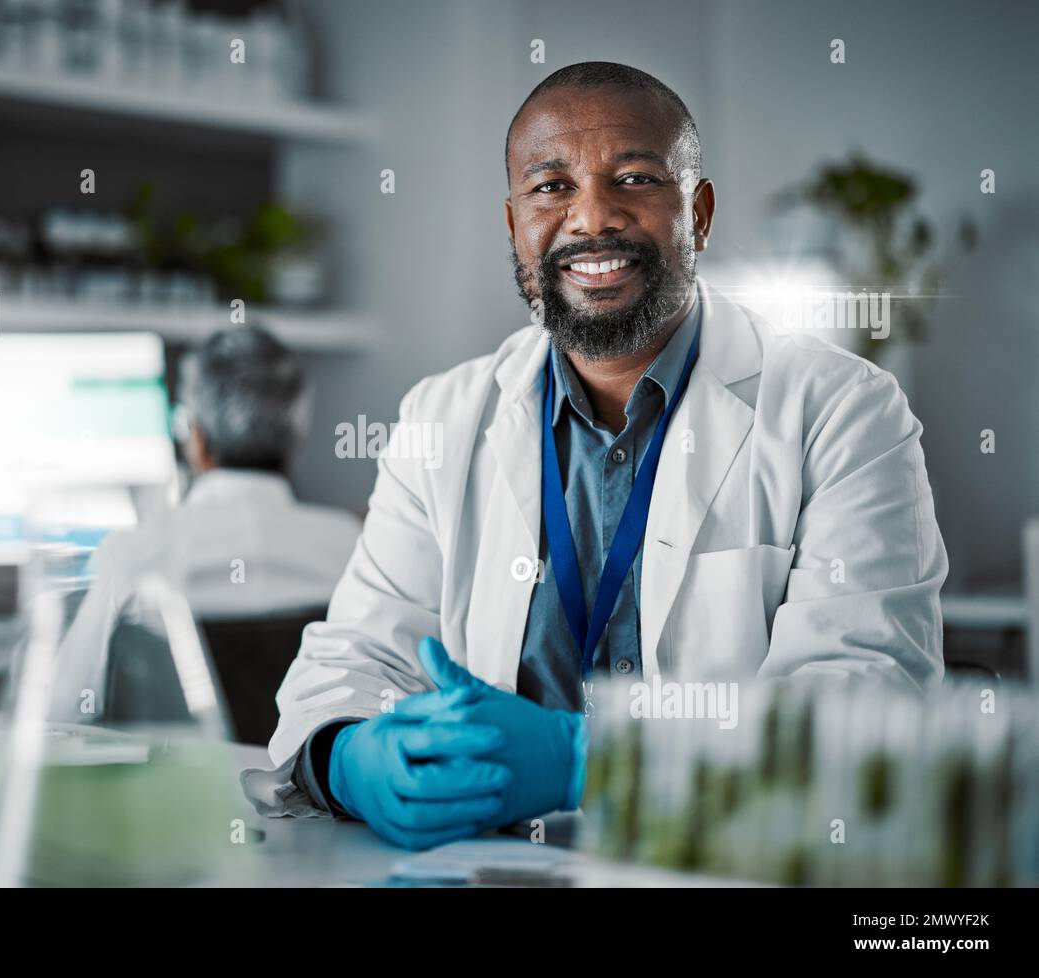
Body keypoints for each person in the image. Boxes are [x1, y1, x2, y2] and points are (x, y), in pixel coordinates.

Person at [245, 62, 948, 850]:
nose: (593, 217)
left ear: (700, 214)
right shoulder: (441, 415)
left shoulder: (843, 411)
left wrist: (587, 762)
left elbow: (868, 707)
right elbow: (355, 656)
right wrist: (350, 757)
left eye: (637, 178)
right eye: (551, 187)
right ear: (513, 225)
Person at [49, 326, 362, 722]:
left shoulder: (134, 554)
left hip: (179, 781)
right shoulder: (351, 545)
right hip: (306, 780)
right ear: (296, 436)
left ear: (195, 437)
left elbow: (61, 713)